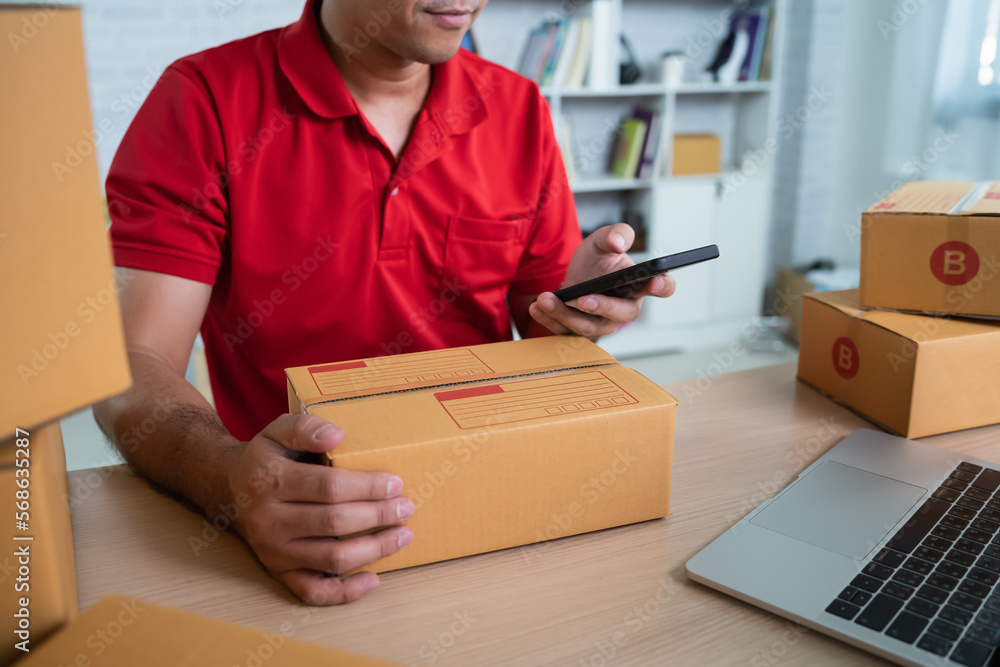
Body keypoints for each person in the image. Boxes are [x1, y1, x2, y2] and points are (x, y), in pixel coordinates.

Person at [94, 0, 675, 606]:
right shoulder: (205, 99)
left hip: (487, 500)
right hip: (289, 520)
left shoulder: (518, 107)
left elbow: (542, 339)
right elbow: (132, 362)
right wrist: (230, 482)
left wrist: (575, 311)